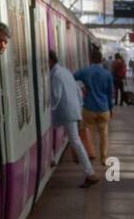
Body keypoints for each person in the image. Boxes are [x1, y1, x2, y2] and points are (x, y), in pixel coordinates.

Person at [49, 50, 98, 187]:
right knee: (74, 140)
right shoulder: (65, 71)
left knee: (76, 142)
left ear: (50, 61)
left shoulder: (56, 76)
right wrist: (79, 106)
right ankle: (52, 157)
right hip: (73, 110)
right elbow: (78, 91)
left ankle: (90, 173)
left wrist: (46, 108)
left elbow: (56, 96)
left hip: (67, 112)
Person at [74, 46, 115, 165]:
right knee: (104, 134)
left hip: (89, 108)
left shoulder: (85, 71)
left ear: (90, 59)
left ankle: (90, 155)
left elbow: (71, 77)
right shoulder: (107, 74)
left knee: (89, 133)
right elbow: (110, 93)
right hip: (103, 108)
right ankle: (104, 158)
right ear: (101, 60)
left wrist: (81, 88)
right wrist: (111, 109)